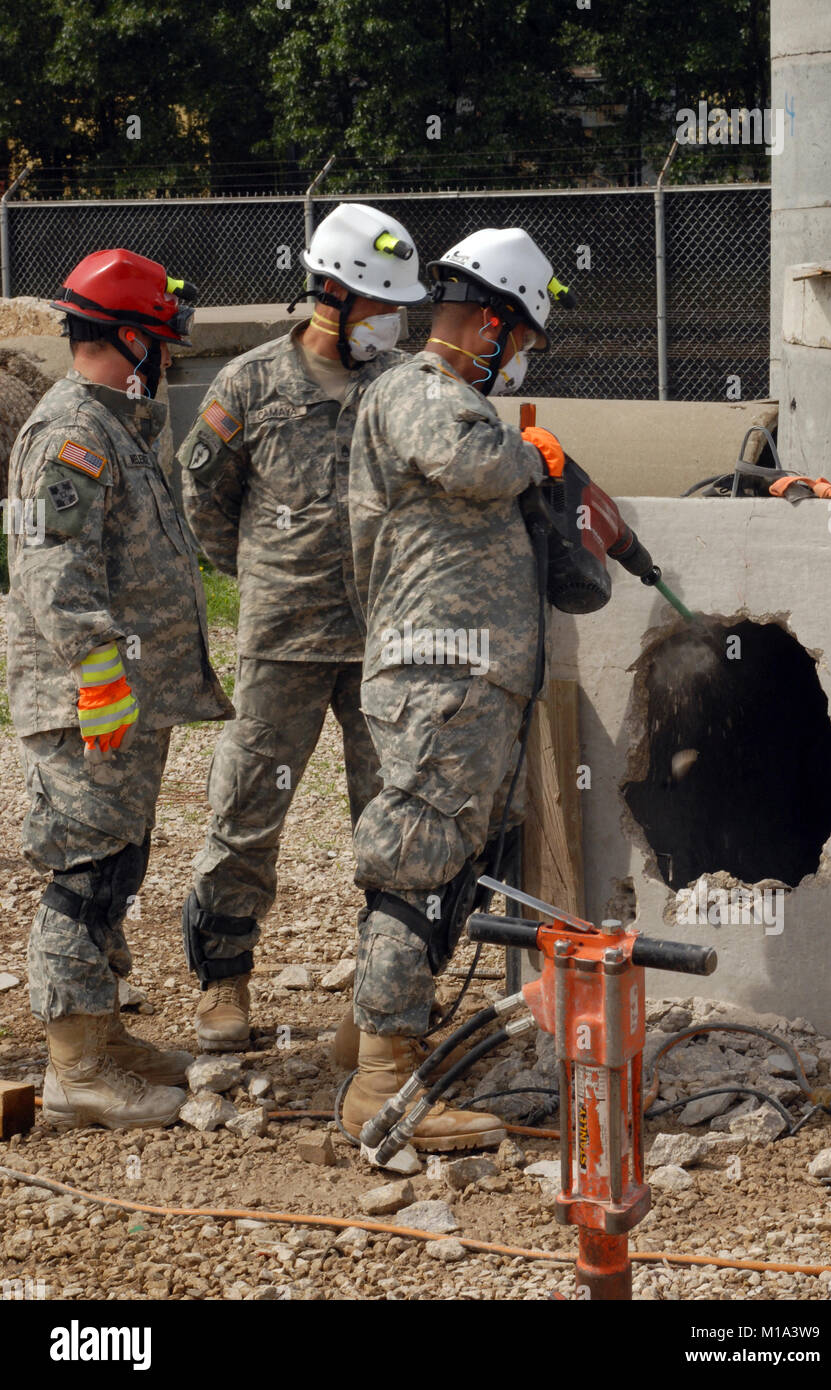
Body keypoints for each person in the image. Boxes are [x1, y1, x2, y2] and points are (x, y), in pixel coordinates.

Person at [178, 203, 428, 1052]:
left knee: (390, 821)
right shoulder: (248, 383)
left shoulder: (398, 386)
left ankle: (381, 1007)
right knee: (246, 813)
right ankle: (224, 986)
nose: (393, 320)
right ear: (331, 295)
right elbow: (204, 497)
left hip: (382, 646)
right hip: (281, 642)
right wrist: (260, 575)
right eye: (377, 302)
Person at [343, 228, 571, 1150]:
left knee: (442, 867)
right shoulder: (418, 392)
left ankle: (396, 1052)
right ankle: (381, 1087)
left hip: (469, 682)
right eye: (517, 342)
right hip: (439, 676)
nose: (516, 361)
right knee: (416, 861)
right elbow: (473, 464)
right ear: (488, 322)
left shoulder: (447, 398)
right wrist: (537, 461)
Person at [6, 248, 233, 1129]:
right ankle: (73, 1070)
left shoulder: (118, 426)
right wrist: (99, 676)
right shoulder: (69, 434)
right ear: (131, 339)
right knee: (84, 870)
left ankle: (100, 1036)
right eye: (163, 341)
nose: (171, 358)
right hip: (86, 700)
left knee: (118, 861)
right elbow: (52, 568)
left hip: (127, 696)